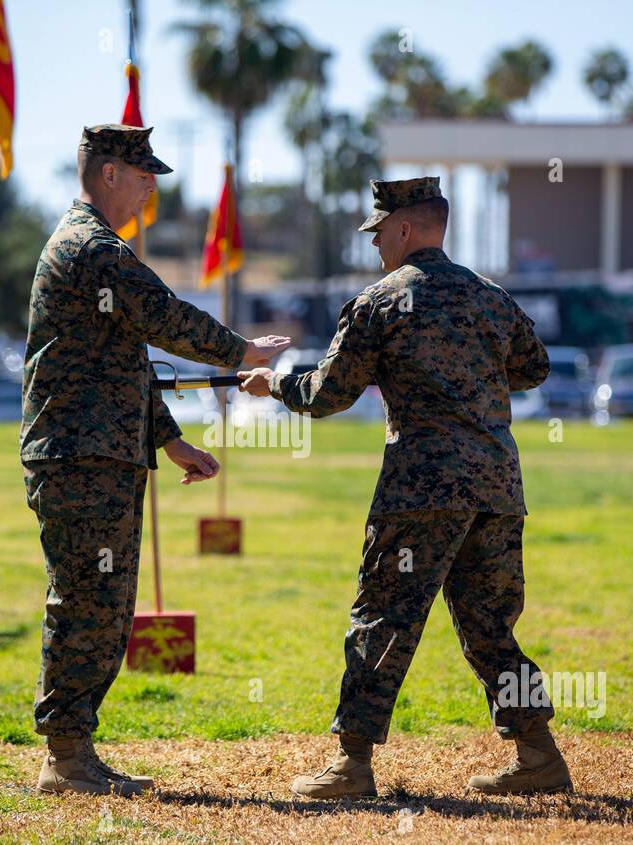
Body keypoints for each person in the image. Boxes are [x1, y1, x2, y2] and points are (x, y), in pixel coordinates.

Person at [238, 177, 570, 798]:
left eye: (379, 235)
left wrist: (274, 384)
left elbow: (327, 393)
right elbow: (535, 367)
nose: (375, 247)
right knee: (489, 625)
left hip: (422, 489)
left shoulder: (382, 302)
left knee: (384, 617)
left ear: (405, 230)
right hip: (496, 486)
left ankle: (352, 766)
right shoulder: (490, 296)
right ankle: (539, 755)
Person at [22, 124, 289, 796]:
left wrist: (169, 441)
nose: (151, 189)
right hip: (80, 456)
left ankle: (75, 747)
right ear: (109, 173)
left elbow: (130, 360)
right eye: (143, 176)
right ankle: (64, 756)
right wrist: (241, 351)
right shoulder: (92, 249)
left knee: (105, 604)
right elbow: (164, 315)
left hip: (100, 453)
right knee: (87, 601)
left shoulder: (98, 247)